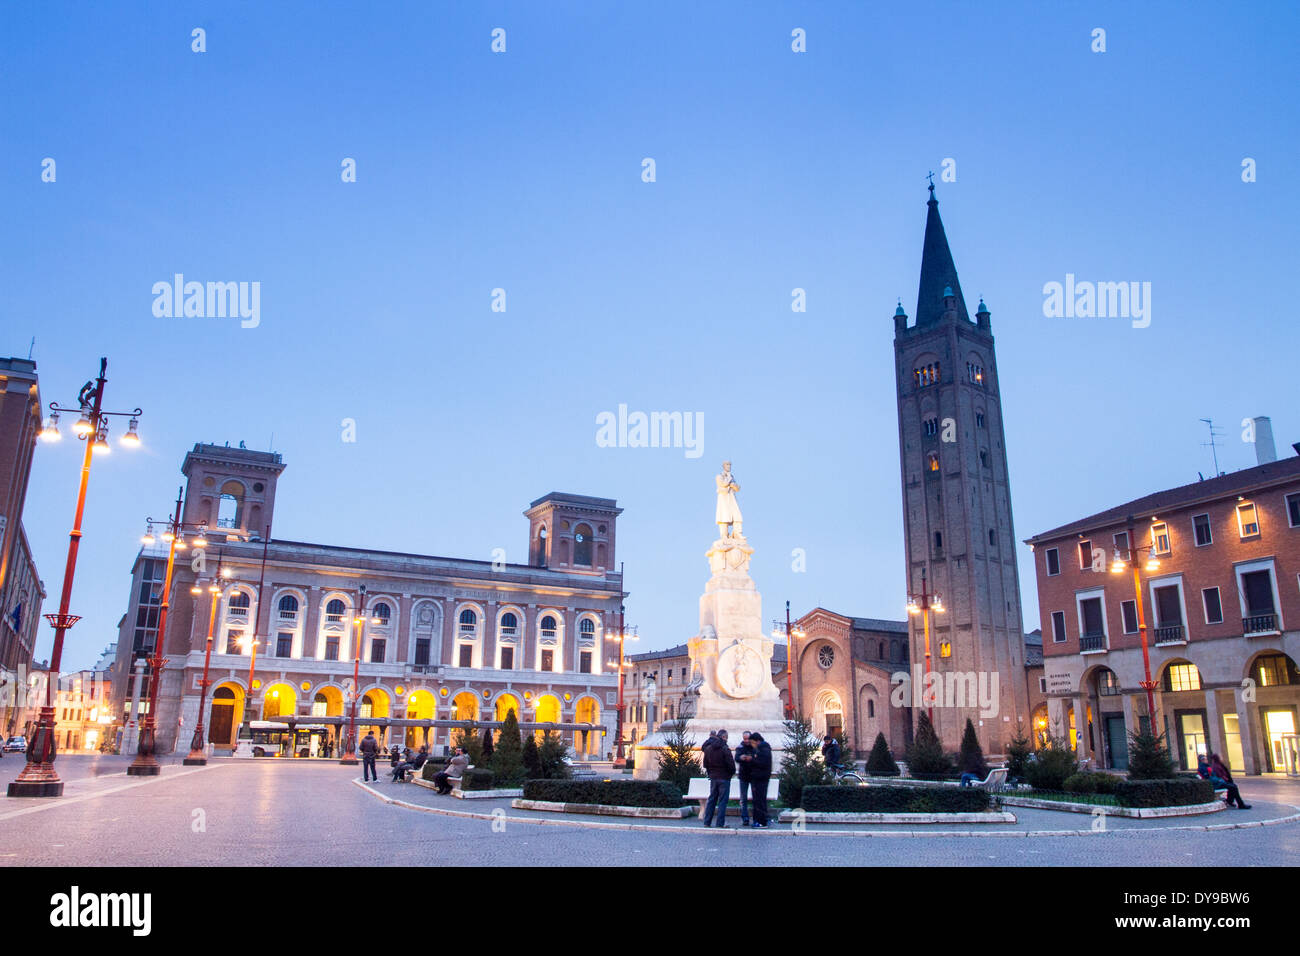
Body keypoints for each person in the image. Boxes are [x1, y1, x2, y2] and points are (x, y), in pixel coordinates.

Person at [701, 729, 735, 828]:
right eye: (726, 737)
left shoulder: (709, 748)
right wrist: (730, 774)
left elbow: (705, 764)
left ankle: (707, 822)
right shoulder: (725, 749)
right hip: (724, 777)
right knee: (722, 801)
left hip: (713, 777)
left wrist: (711, 773)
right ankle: (720, 823)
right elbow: (731, 765)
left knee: (711, 800)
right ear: (724, 737)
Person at [748, 732, 773, 828]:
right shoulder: (760, 749)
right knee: (758, 801)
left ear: (757, 741)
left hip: (761, 778)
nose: (751, 745)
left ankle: (762, 821)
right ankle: (758, 820)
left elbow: (762, 763)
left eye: (752, 742)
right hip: (758, 778)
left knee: (760, 800)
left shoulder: (764, 749)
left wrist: (752, 759)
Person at [734, 732, 755, 827]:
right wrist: (741, 758)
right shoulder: (740, 747)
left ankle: (756, 817)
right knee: (743, 799)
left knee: (755, 798)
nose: (746, 740)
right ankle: (745, 818)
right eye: (744, 738)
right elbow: (736, 758)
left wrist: (752, 759)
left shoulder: (754, 747)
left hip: (753, 775)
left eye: (747, 739)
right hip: (743, 775)